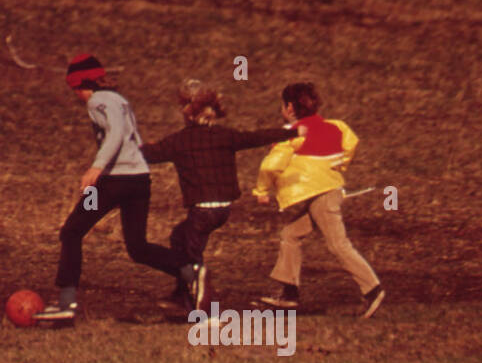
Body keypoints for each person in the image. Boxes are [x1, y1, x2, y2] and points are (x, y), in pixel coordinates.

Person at [35, 54, 195, 323]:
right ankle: (192, 272)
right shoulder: (120, 100)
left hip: (112, 182)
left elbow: (117, 133)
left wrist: (96, 167)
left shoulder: (97, 100)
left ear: (77, 85)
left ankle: (66, 303)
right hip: (139, 179)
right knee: (138, 247)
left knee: (71, 231)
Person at [139, 79, 299, 311]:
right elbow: (256, 137)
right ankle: (181, 295)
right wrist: (291, 132)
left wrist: (132, 147)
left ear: (188, 114)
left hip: (202, 210)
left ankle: (201, 303)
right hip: (222, 209)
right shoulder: (225, 135)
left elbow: (151, 155)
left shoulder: (179, 141)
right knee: (178, 237)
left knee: (192, 258)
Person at [252, 82, 384, 319]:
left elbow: (271, 165)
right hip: (328, 192)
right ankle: (289, 294)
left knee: (338, 245)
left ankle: (373, 289)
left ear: (289, 108)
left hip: (321, 197)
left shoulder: (291, 134)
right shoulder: (337, 126)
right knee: (291, 235)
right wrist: (340, 165)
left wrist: (261, 190)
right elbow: (350, 143)